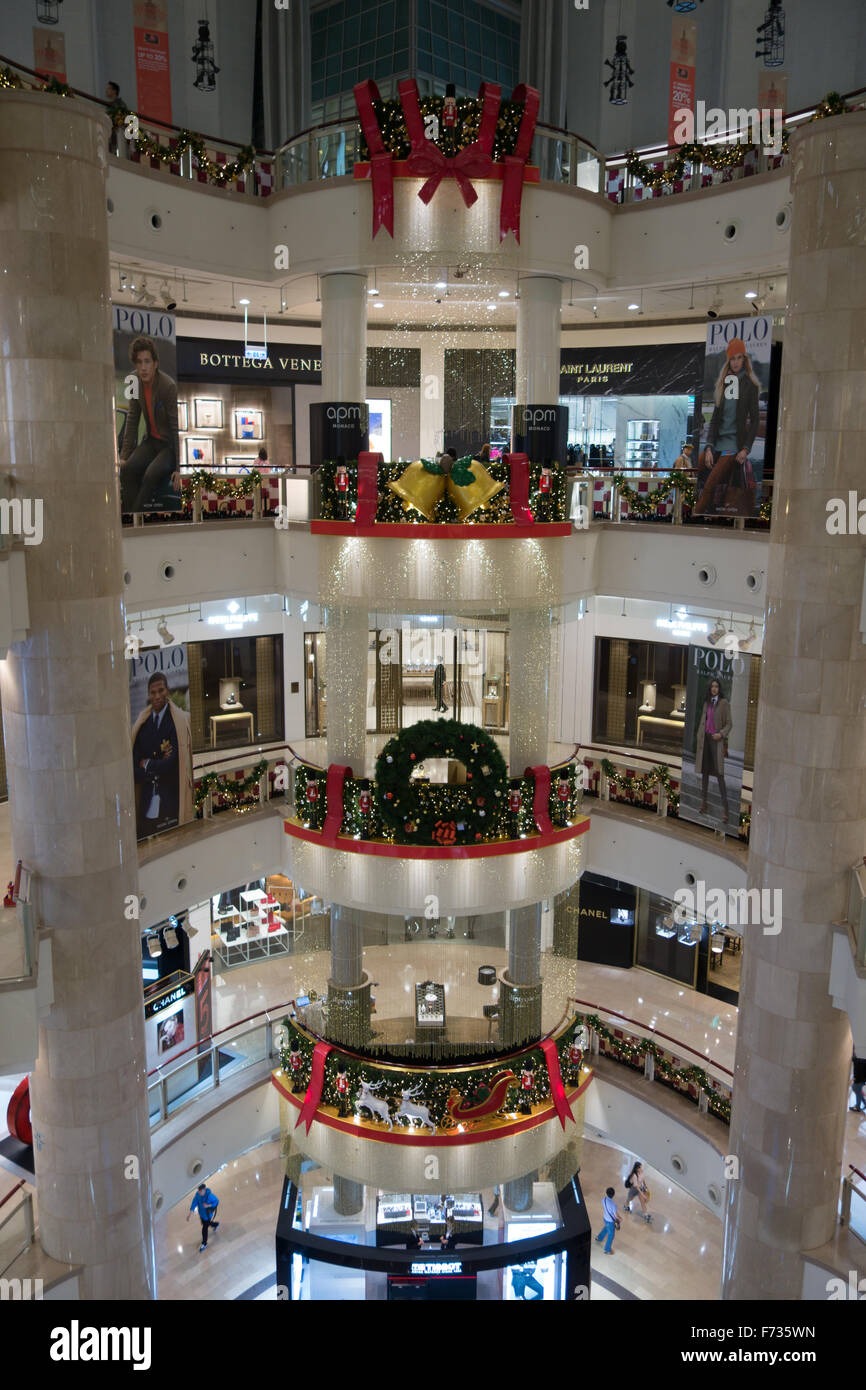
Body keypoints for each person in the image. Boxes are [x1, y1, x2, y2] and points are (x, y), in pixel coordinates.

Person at [693, 338, 760, 516]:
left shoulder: (750, 386)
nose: (736, 362)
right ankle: (697, 512)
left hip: (733, 445)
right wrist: (708, 447)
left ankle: (693, 519)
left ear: (744, 359)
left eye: (739, 357)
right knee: (696, 469)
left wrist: (746, 448)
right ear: (728, 360)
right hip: (717, 442)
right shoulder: (724, 384)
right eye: (733, 358)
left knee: (709, 484)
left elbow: (754, 421)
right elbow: (715, 420)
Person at [119, 336, 179, 513]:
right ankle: (132, 517)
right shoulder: (132, 380)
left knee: (151, 475)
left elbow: (176, 428)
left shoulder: (168, 387)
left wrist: (178, 468)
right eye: (139, 362)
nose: (143, 367)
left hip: (168, 446)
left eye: (147, 361)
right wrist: (125, 456)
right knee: (128, 470)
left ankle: (137, 520)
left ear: (155, 363)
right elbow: (132, 419)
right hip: (151, 441)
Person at [131, 672, 194, 839]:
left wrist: (148, 764)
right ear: (148, 694)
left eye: (161, 690)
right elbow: (133, 769)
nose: (157, 696)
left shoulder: (177, 722)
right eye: (153, 692)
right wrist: (159, 765)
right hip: (146, 805)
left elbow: (173, 764)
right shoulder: (142, 725)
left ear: (167, 691)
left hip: (170, 803)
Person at [695, 677, 732, 823]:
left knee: (719, 774)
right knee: (705, 772)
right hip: (705, 740)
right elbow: (702, 722)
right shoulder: (707, 703)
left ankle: (725, 809)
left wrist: (721, 734)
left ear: (719, 689)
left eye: (716, 686)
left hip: (716, 742)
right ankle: (703, 803)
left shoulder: (724, 703)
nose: (714, 689)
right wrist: (699, 736)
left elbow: (729, 723)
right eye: (712, 686)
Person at [186, 1182, 220, 1252]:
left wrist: (208, 1205)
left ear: (204, 1190)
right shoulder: (197, 1195)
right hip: (201, 1214)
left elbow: (216, 1201)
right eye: (198, 1190)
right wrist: (190, 1214)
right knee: (207, 1224)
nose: (199, 1192)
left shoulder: (209, 1196)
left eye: (201, 1191)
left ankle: (204, 1243)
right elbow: (194, 1203)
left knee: (204, 1229)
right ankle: (216, 1224)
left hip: (207, 1215)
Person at [595, 1187, 620, 1254]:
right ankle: (607, 1249)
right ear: (613, 1195)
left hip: (605, 1218)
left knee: (606, 1228)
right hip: (610, 1221)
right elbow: (615, 1215)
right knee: (611, 1235)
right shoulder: (613, 1204)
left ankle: (599, 1238)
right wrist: (620, 1219)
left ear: (607, 1193)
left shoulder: (604, 1200)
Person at [106, 81, 126, 156]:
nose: (106, 90)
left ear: (114, 91)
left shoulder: (120, 104)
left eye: (109, 88)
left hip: (116, 132)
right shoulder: (109, 105)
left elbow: (122, 117)